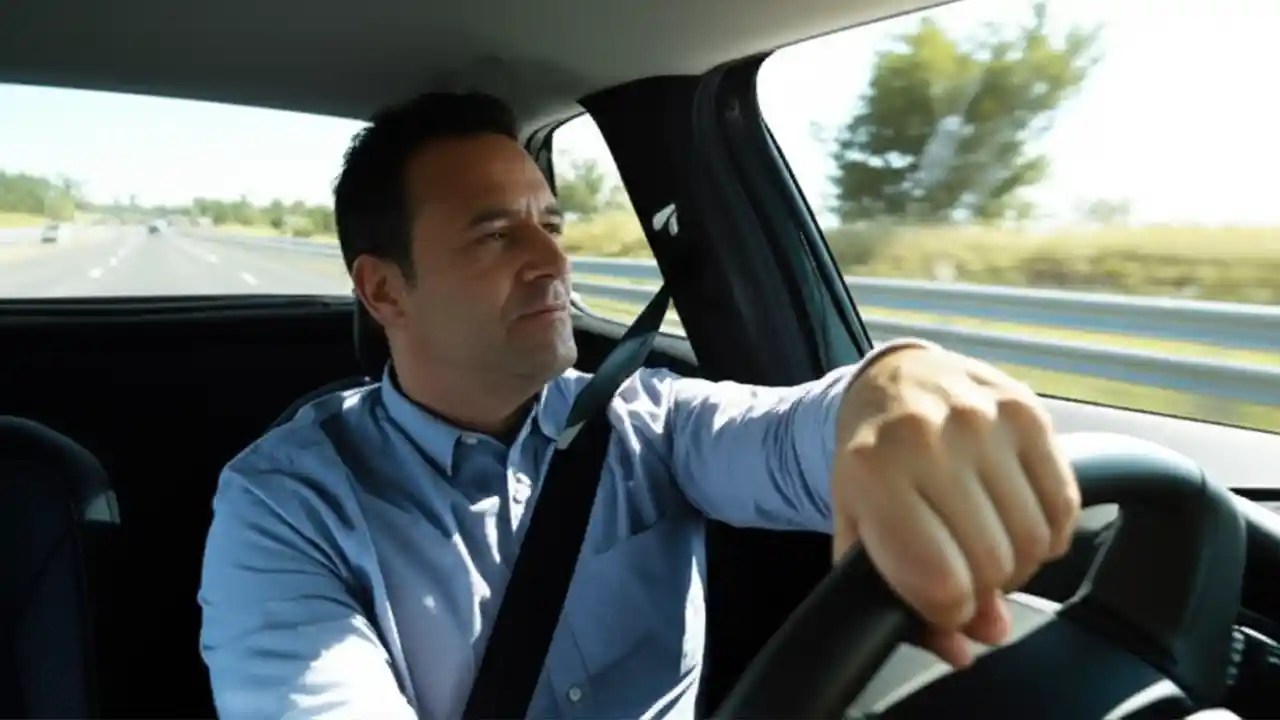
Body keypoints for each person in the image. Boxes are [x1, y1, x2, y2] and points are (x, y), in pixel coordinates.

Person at [197, 91, 1080, 720]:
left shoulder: (648, 421)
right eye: (497, 234)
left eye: (552, 222)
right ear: (385, 290)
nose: (552, 260)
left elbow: (790, 434)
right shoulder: (284, 505)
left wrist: (890, 389)